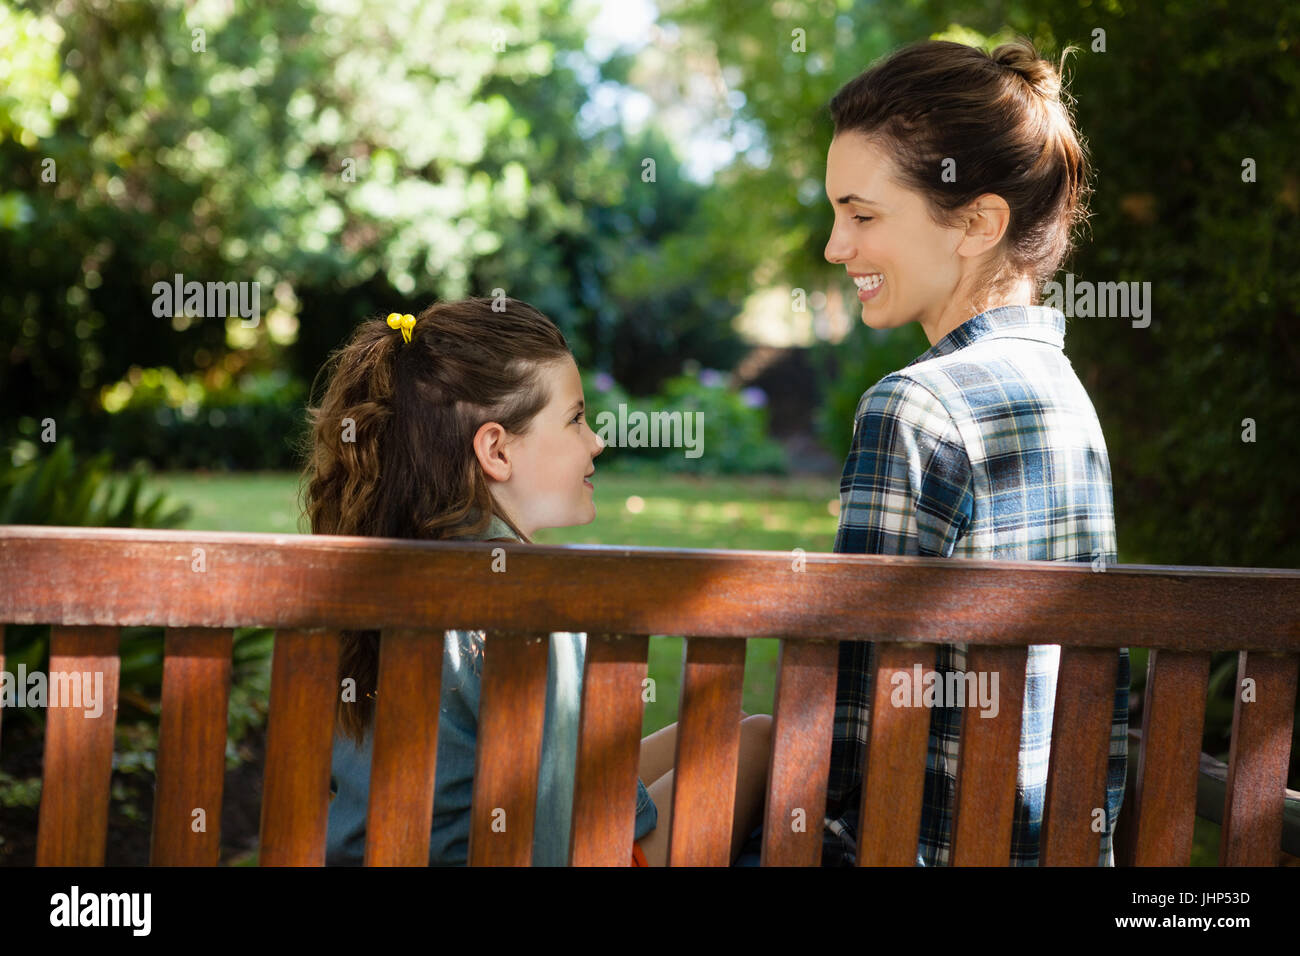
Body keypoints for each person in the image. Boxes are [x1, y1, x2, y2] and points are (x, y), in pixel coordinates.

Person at [299, 296, 772, 866]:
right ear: (496, 450)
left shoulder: (377, 573)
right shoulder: (534, 598)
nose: (596, 441)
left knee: (724, 727)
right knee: (762, 739)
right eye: (575, 418)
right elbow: (556, 844)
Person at [819, 37, 1129, 865]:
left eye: (862, 214)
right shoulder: (1068, 400)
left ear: (978, 223)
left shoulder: (916, 407)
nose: (835, 246)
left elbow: (854, 731)